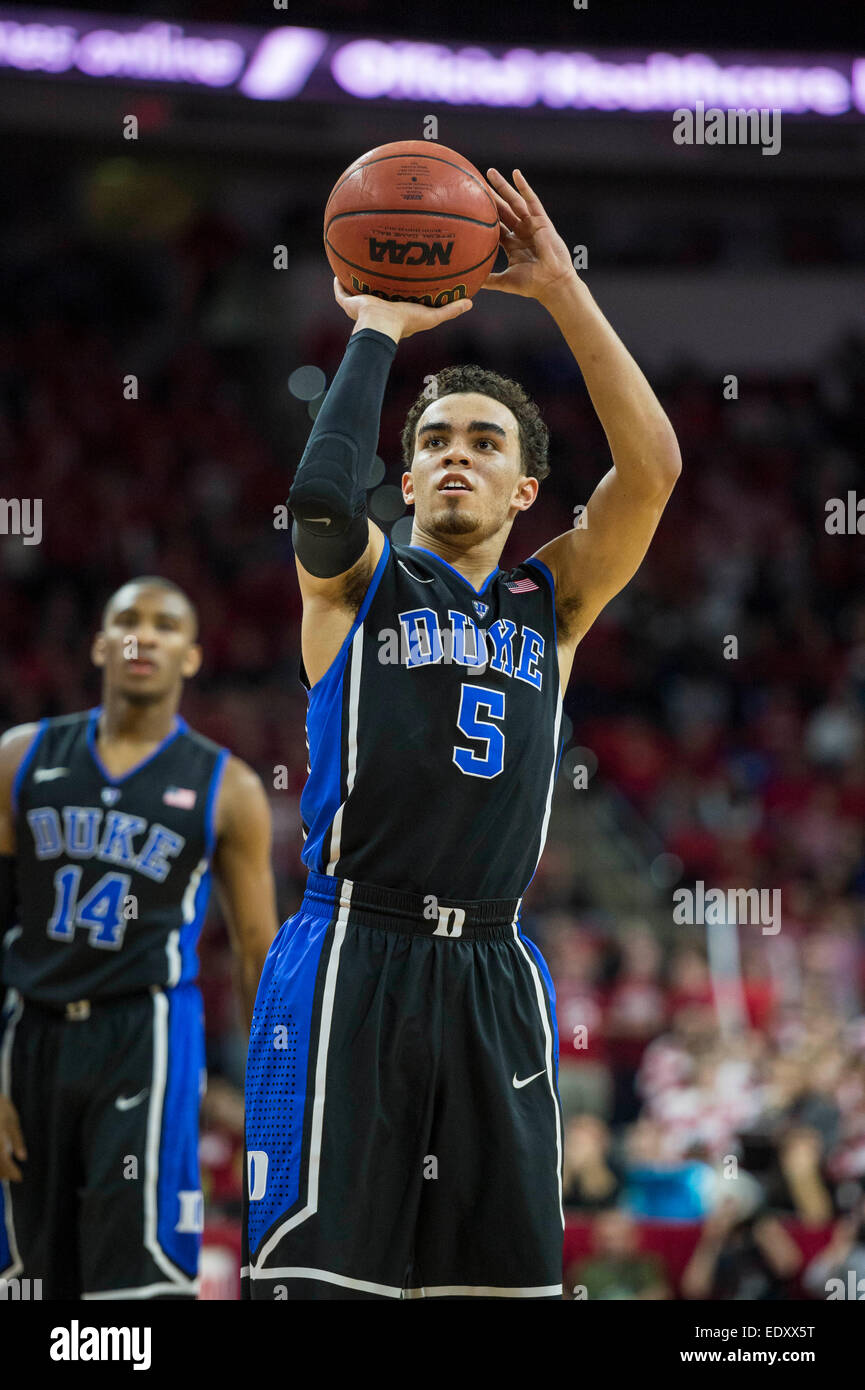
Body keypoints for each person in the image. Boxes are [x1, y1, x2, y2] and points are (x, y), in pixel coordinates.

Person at [243, 168, 681, 1299]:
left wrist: (562, 291)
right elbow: (324, 505)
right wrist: (379, 327)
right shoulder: (359, 585)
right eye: (432, 438)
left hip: (494, 965)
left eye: (485, 442)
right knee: (318, 1287)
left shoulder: (556, 601)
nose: (453, 453)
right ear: (405, 470)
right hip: (351, 952)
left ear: (526, 486)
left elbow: (654, 471)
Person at [0, 576, 278, 1300]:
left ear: (190, 655)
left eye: (164, 625)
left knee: (137, 1284)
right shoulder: (20, 758)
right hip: (28, 1034)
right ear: (99, 644)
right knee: (23, 1279)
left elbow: (258, 952)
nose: (144, 635)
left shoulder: (229, 787)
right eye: (128, 620)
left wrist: (274, 1101)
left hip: (146, 1036)